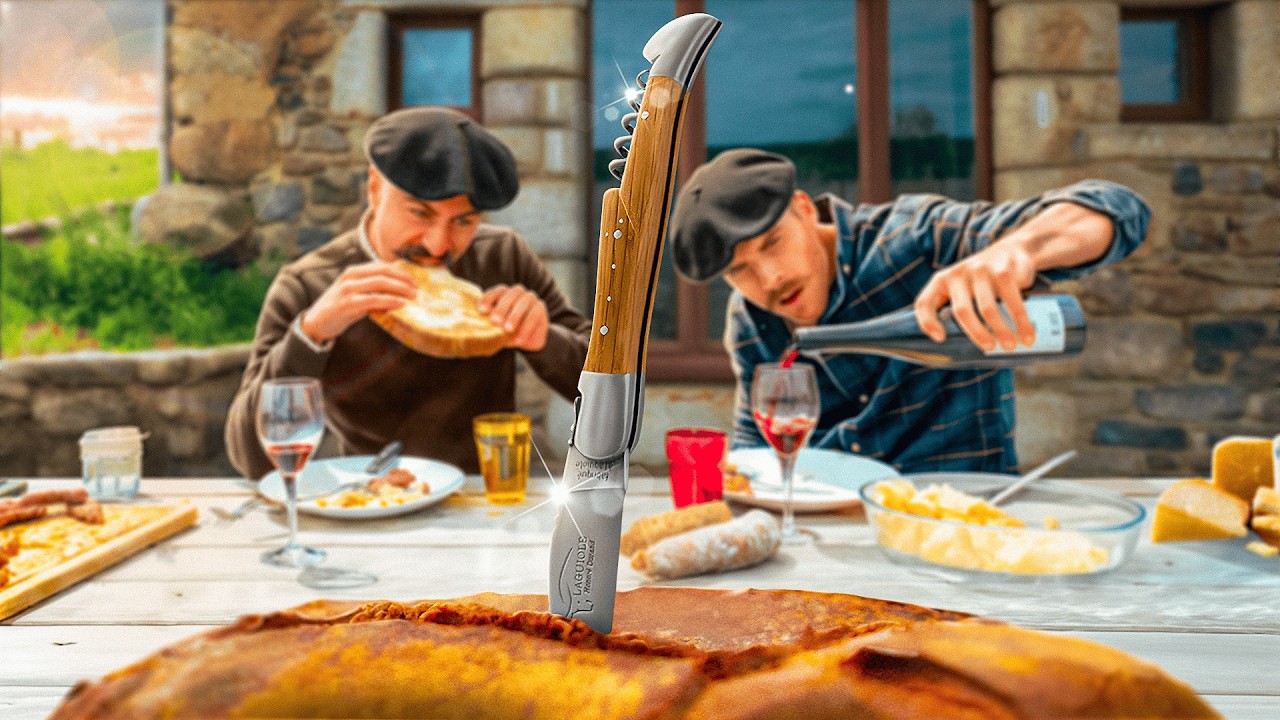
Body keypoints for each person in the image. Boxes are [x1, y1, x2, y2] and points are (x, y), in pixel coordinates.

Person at [669, 149, 1149, 474]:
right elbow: (757, 442)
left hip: (965, 524)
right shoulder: (751, 319)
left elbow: (1117, 208)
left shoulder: (919, 238)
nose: (770, 280)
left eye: (772, 243)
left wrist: (1018, 249)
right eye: (740, 270)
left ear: (804, 208)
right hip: (840, 542)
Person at [226, 107, 591, 477]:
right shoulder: (308, 284)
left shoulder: (501, 257)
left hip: (488, 497)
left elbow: (609, 391)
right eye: (420, 213)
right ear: (373, 189)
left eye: (463, 221)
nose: (438, 246)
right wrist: (311, 333)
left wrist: (545, 340)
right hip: (373, 502)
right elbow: (249, 457)